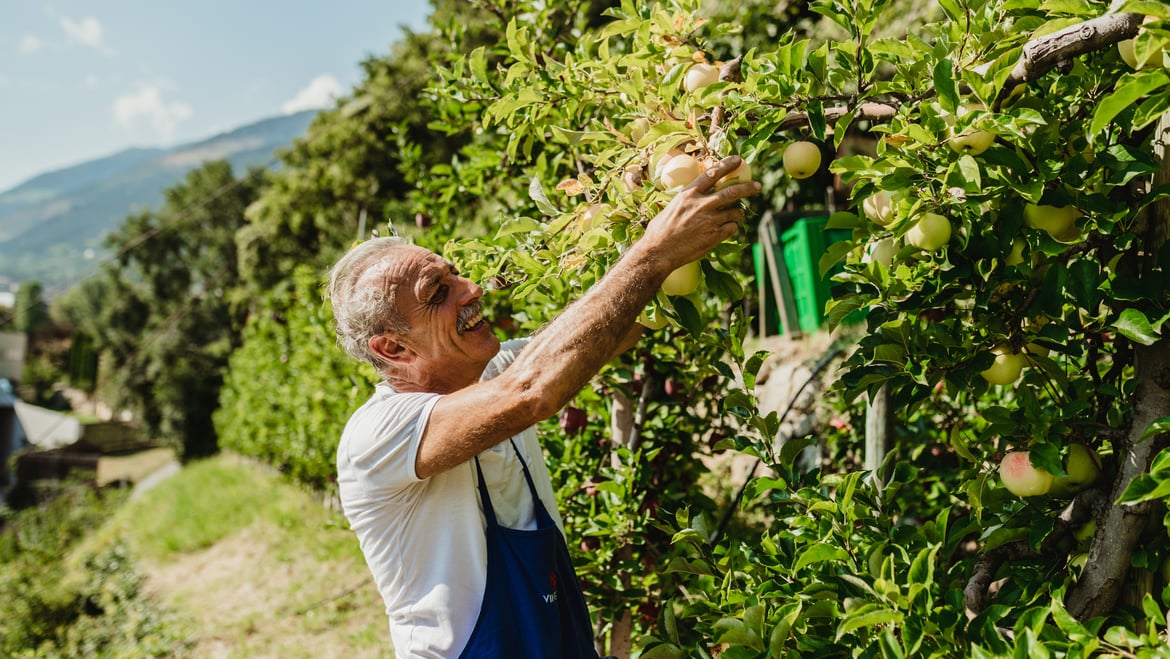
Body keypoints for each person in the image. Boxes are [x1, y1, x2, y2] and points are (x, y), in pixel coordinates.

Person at [327, 156, 760, 658]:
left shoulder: (495, 371)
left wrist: (654, 211)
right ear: (393, 349)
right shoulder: (378, 434)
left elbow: (610, 329)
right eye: (438, 293)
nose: (472, 290)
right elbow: (531, 392)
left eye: (456, 273)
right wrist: (653, 250)